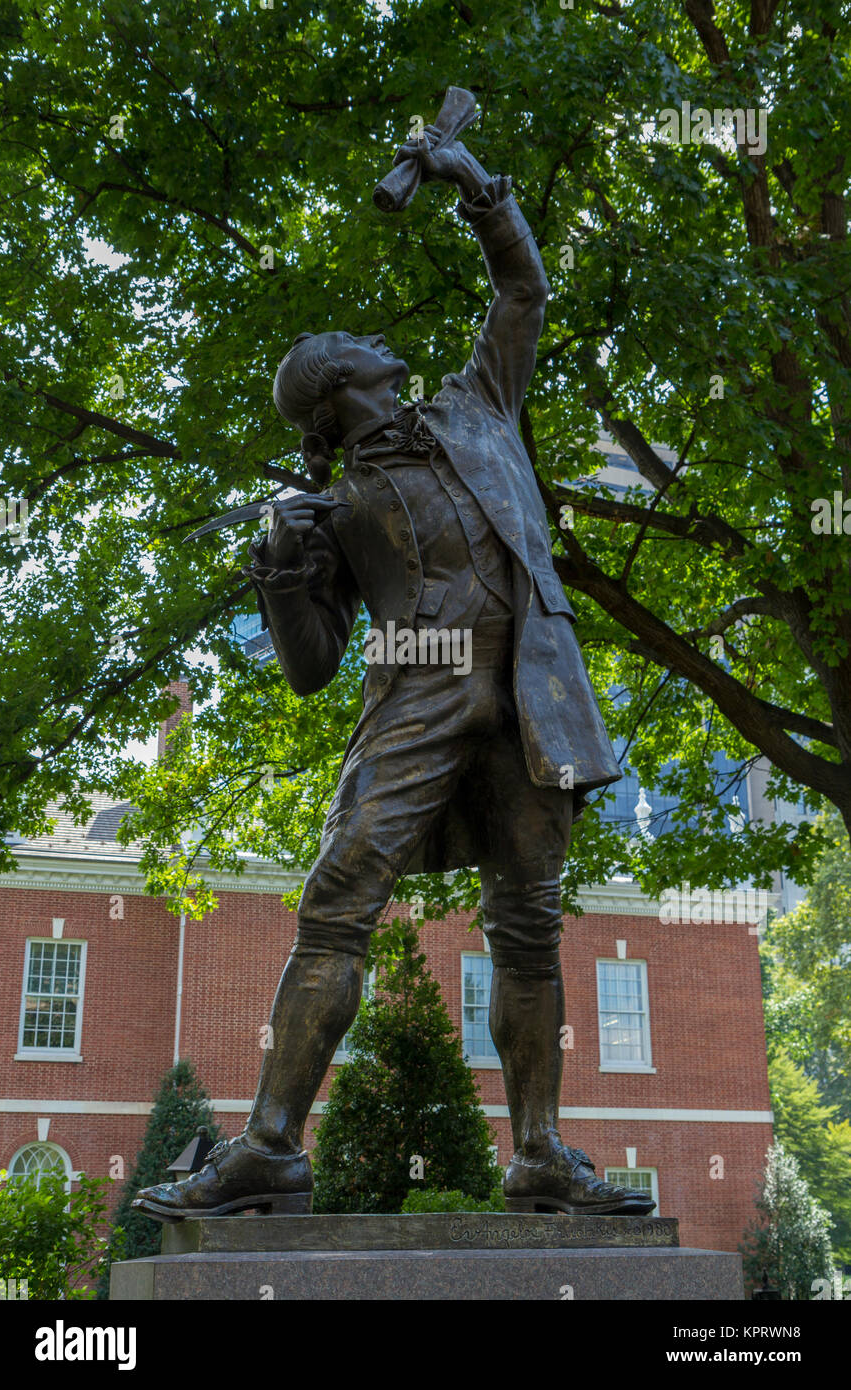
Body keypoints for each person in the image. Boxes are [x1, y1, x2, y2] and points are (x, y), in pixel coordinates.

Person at [134, 127, 653, 1221]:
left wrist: (475, 186)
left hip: (528, 693)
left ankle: (538, 1152)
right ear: (338, 388)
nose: (376, 334)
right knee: (334, 903)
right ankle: (271, 1145)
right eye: (352, 339)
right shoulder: (322, 508)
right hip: (414, 695)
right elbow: (313, 671)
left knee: (530, 919)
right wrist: (280, 578)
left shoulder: (479, 402)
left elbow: (523, 286)